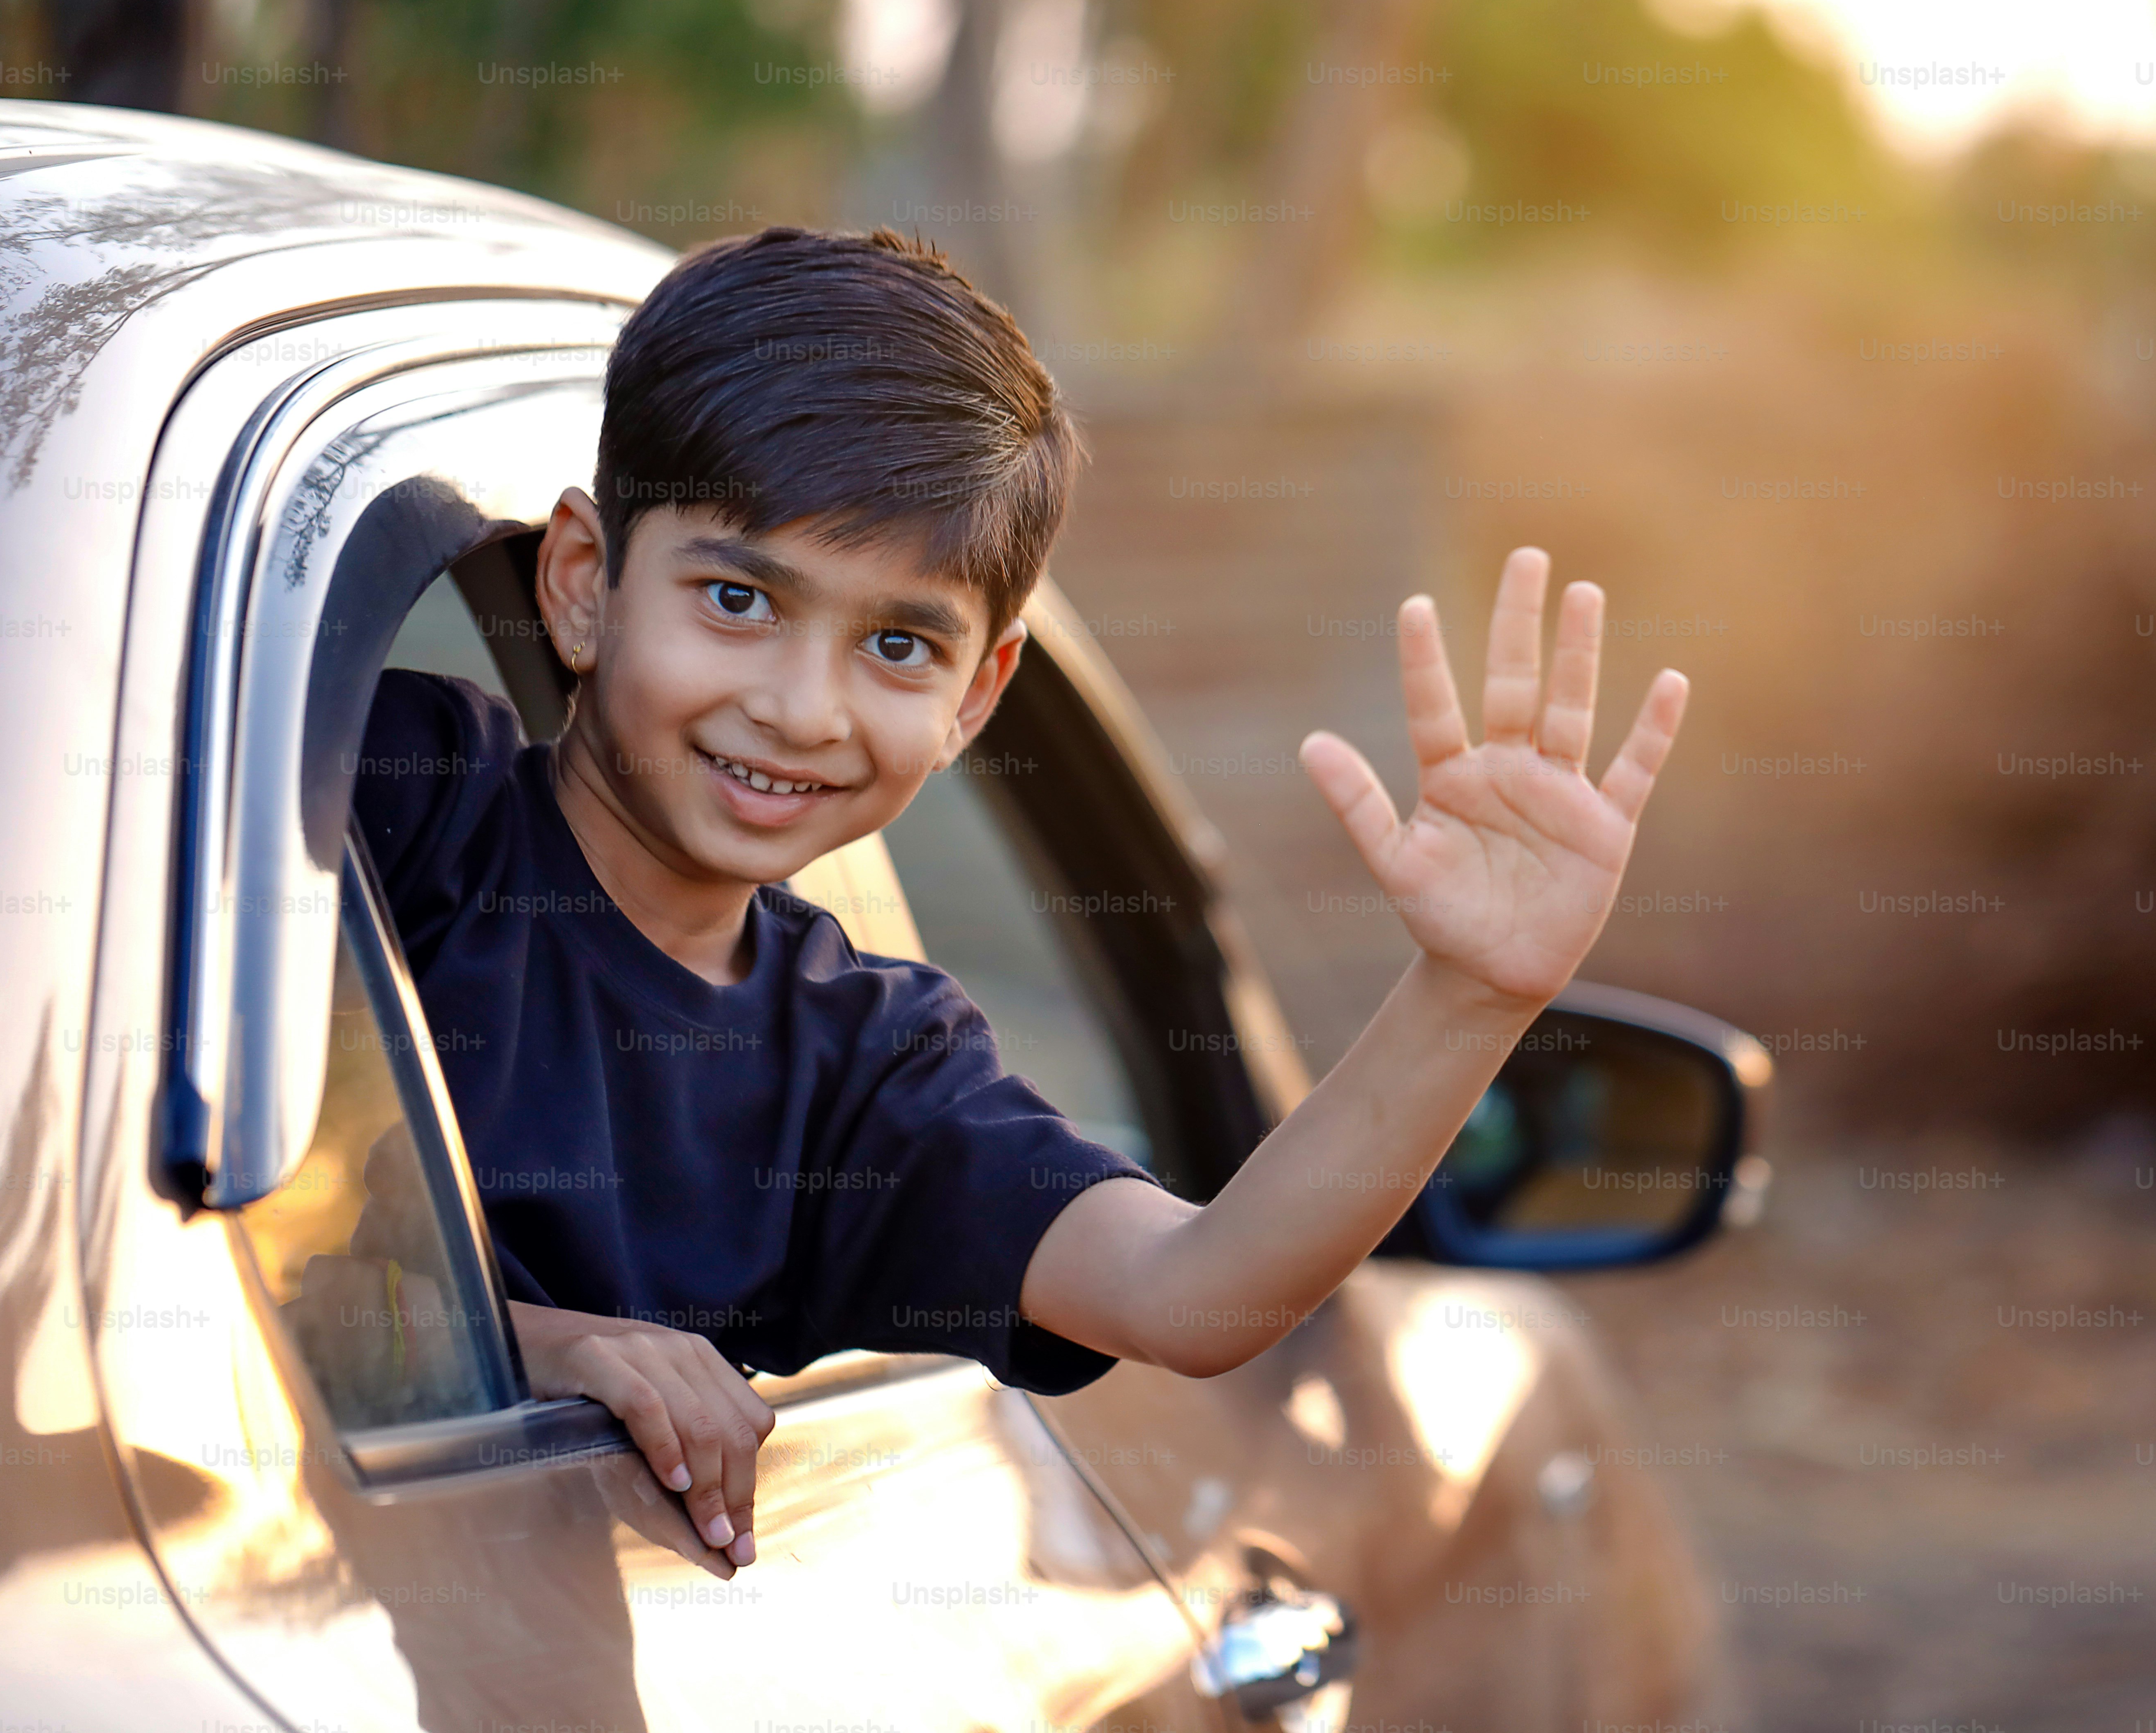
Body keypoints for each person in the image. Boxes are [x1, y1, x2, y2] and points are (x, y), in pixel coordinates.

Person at [351, 224, 1688, 1584]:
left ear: (973, 700)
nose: (802, 707)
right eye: (739, 597)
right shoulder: (396, 806)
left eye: (896, 644)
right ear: (584, 585)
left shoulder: (867, 1074)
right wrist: (544, 1347)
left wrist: (1470, 994)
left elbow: (1197, 1290)